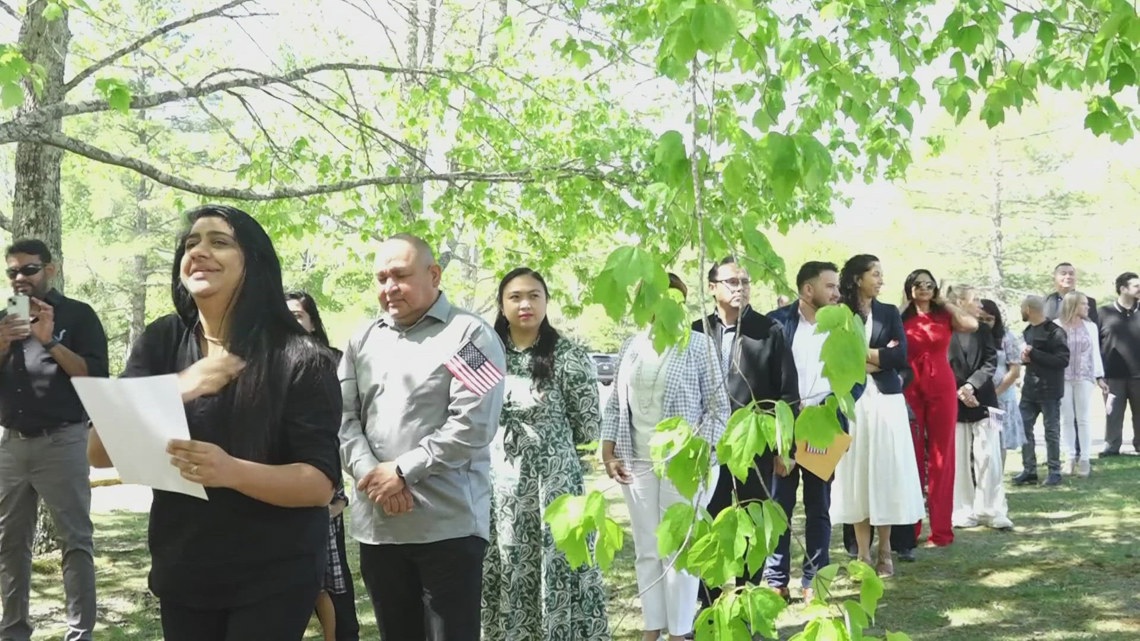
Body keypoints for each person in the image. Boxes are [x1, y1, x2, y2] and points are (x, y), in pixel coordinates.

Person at [87, 205, 342, 640]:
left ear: (254, 263)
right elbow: (98, 451)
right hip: (184, 566)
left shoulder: (302, 358)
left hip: (274, 573)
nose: (200, 251)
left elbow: (318, 485)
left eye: (219, 242)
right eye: (191, 243)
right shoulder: (163, 340)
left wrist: (230, 471)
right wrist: (181, 386)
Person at [339, 233, 506, 641]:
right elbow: (342, 419)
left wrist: (401, 470)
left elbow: (472, 425)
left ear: (434, 274)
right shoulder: (363, 341)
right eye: (380, 278)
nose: (388, 288)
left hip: (446, 528)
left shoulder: (468, 336)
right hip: (379, 526)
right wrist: (375, 477)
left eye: (399, 275)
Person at [481, 268, 609, 641]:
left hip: (554, 488)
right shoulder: (480, 351)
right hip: (496, 487)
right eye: (515, 296)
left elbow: (588, 428)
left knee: (558, 564)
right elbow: (459, 410)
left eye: (535, 296)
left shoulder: (569, 356)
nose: (525, 304)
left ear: (546, 302)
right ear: (501, 304)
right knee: (504, 563)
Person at [602, 273, 729, 641]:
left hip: (685, 465)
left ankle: (679, 631)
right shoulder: (631, 345)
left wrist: (696, 450)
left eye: (671, 298)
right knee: (647, 549)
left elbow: (719, 410)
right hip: (636, 461)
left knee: (678, 550)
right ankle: (652, 628)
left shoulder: (700, 346)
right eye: (651, 298)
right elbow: (615, 405)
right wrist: (608, 448)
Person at [0, 239, 108, 641]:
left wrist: (49, 340)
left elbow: (95, 378)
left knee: (75, 543)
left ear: (51, 269)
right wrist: (3, 343)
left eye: (29, 269)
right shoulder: (3, 321)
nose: (19, 278)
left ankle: (79, 634)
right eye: (12, 271)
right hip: (11, 446)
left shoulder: (78, 316)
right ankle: (13, 631)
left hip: (63, 441)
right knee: (10, 545)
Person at [692, 257, 798, 603]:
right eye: (732, 282)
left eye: (745, 282)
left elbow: (787, 394)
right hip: (706, 445)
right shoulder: (697, 330)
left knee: (752, 518)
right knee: (709, 519)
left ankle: (747, 595)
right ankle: (706, 600)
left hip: (753, 445)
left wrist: (785, 449)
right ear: (712, 288)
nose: (740, 288)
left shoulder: (768, 331)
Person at [831, 255, 924, 578]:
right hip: (853, 402)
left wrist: (865, 357)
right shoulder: (840, 314)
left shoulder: (888, 313)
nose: (881, 279)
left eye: (882, 274)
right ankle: (861, 553)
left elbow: (900, 355)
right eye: (875, 274)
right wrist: (877, 357)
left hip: (886, 400)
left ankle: (886, 550)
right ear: (858, 279)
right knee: (856, 472)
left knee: (884, 472)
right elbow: (835, 356)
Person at [766, 261, 848, 602]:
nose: (836, 293)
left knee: (819, 506)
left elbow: (853, 377)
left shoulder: (842, 326)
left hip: (824, 425)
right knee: (778, 507)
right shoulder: (776, 322)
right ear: (807, 289)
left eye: (837, 287)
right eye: (829, 286)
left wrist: (832, 406)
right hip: (783, 424)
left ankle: (814, 579)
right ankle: (775, 580)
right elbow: (765, 375)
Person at [285, 290, 361, 641]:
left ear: (313, 321)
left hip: (324, 483)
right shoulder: (263, 361)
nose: (291, 321)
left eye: (298, 315)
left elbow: (346, 423)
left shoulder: (333, 360)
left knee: (331, 577)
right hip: (275, 489)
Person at [899, 269, 978, 549]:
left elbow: (971, 324)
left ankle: (941, 531)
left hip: (941, 385)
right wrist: (904, 305)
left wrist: (945, 301)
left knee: (942, 456)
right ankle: (909, 529)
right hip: (910, 387)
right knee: (912, 456)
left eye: (929, 284)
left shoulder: (944, 315)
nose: (924, 288)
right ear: (909, 288)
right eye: (918, 284)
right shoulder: (901, 316)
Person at [944, 286, 1011, 530]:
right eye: (976, 300)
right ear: (960, 302)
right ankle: (963, 511)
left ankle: (993, 510)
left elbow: (990, 361)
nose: (980, 305)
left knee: (990, 455)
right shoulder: (943, 330)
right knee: (959, 457)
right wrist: (958, 391)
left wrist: (971, 387)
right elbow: (940, 364)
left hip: (985, 400)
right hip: (952, 400)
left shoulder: (983, 329)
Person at [1013, 295, 1070, 488]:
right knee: (1023, 428)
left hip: (1050, 390)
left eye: (1022, 308)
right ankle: (1029, 470)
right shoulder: (1027, 331)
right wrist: (1024, 358)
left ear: (1028, 309)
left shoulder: (1055, 332)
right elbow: (1028, 358)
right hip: (1030, 389)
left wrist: (1034, 353)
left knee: (1051, 431)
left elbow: (1062, 360)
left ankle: (1055, 471)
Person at [1054, 292, 1107, 477]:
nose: (1088, 307)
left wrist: (1100, 377)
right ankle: (1069, 457)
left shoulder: (1090, 326)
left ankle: (1085, 458)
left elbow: (1095, 353)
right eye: (1083, 304)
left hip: (1085, 376)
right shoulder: (1056, 325)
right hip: (1062, 377)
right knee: (1066, 418)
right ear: (1073, 305)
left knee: (1083, 418)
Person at [1097, 272, 1140, 457]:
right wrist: (1098, 374)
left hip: (1139, 374)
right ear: (1123, 288)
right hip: (1112, 375)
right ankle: (1112, 446)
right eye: (1136, 286)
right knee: (1113, 413)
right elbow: (1095, 342)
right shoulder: (1103, 313)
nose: (1139, 289)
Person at [978, 299, 1025, 456]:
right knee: (981, 441)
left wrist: (995, 393)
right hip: (976, 396)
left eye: (989, 319)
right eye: (981, 318)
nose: (985, 322)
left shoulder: (1006, 338)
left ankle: (997, 478)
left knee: (998, 440)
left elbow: (1014, 370)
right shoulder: (970, 336)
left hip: (1000, 398)